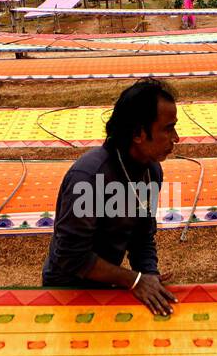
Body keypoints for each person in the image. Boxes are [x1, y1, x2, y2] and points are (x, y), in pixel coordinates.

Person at [43, 80, 179, 316]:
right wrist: (135, 280)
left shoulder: (150, 171)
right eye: (168, 128)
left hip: (110, 285)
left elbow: (142, 237)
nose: (175, 138)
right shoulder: (88, 178)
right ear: (138, 133)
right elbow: (73, 257)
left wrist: (149, 275)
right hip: (67, 289)